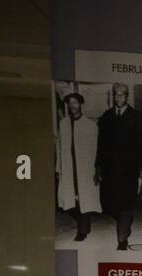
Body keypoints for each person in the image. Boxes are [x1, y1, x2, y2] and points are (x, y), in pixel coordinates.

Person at [95, 83, 142, 250]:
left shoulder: (137, 118)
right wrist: (98, 167)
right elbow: (101, 144)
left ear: (127, 97)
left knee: (126, 204)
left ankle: (122, 239)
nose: (119, 98)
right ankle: (126, 221)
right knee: (111, 205)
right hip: (110, 170)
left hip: (129, 170)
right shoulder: (106, 116)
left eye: (122, 95)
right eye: (116, 95)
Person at [56, 92, 100, 242]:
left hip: (85, 168)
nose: (72, 106)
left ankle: (83, 230)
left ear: (81, 104)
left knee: (84, 199)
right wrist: (58, 168)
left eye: (75, 102)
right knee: (67, 202)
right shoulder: (63, 124)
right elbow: (59, 147)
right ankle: (83, 224)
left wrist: (96, 170)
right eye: (70, 103)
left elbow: (96, 148)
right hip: (69, 167)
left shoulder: (90, 125)